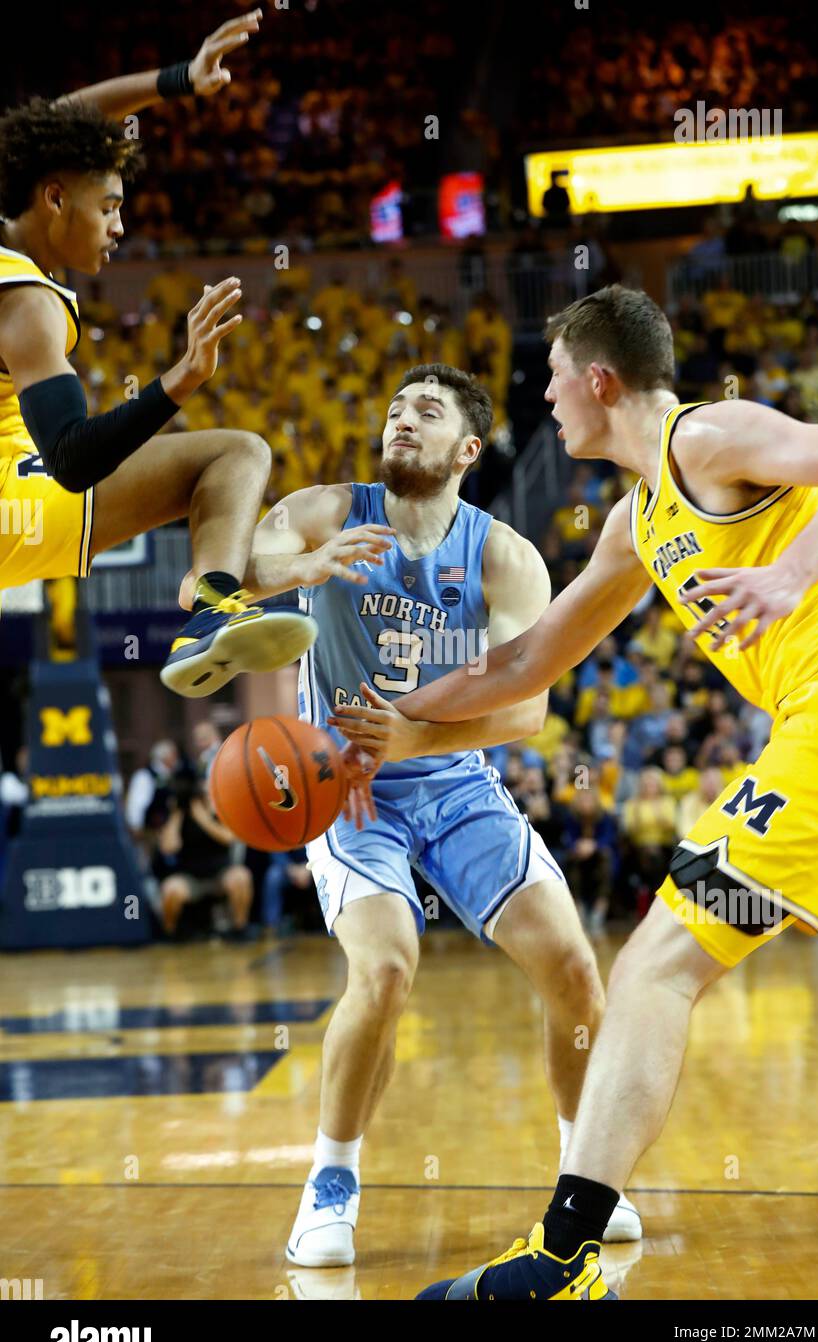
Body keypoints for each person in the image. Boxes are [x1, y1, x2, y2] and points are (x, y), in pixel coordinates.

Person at [374, 284, 818, 1299]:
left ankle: (561, 1257)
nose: (543, 402)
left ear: (597, 380)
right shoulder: (639, 525)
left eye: (552, 380)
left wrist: (792, 575)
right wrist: (382, 723)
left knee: (656, 962)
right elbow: (520, 664)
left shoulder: (708, 437)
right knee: (660, 960)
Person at [182, 362, 642, 1266]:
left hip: (452, 777)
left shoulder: (503, 554)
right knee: (388, 968)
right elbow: (224, 573)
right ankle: (331, 1180)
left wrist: (412, 740)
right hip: (342, 787)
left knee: (574, 969)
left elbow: (527, 710)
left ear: (469, 449)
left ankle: (584, 1172)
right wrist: (301, 569)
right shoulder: (326, 509)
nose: (402, 420)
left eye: (426, 412)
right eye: (394, 409)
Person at [0, 10, 317, 693]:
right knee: (235, 453)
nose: (121, 225)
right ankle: (211, 614)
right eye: (110, 206)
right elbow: (74, 460)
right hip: (12, 510)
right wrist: (179, 379)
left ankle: (213, 613)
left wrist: (180, 79)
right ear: (55, 197)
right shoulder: (26, 302)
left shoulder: (16, 220)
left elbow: (62, 119)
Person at [157, 769, 252, 938]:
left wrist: (202, 817)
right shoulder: (179, 813)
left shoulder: (219, 809)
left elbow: (228, 838)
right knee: (171, 889)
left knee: (241, 877)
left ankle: (240, 929)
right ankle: (169, 934)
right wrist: (177, 813)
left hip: (220, 874)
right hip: (191, 877)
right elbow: (168, 847)